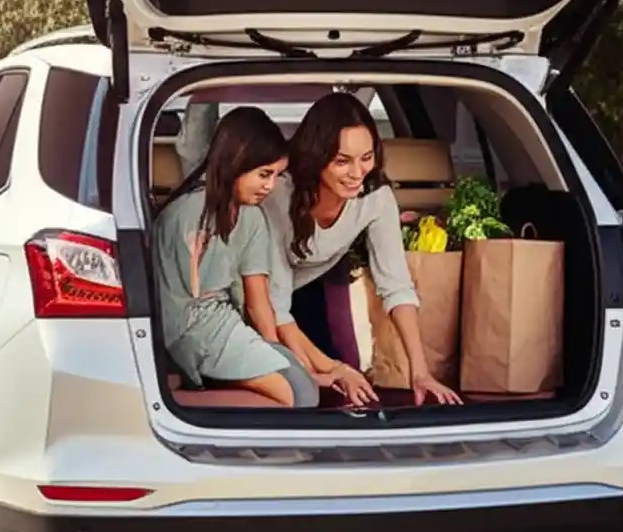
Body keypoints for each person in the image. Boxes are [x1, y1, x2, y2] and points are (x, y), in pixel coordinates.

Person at [261, 92, 463, 408]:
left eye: (366, 157)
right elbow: (273, 305)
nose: (357, 173)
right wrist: (327, 368)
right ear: (316, 157)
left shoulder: (375, 197)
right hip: (257, 303)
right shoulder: (278, 197)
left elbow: (396, 285)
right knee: (304, 395)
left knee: (347, 392)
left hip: (308, 292)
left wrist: (419, 373)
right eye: (342, 161)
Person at [153, 106, 320, 409]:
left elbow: (257, 301)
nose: (270, 186)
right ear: (236, 162)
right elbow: (183, 299)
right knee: (297, 397)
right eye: (264, 174)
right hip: (187, 327)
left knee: (304, 390)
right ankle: (181, 405)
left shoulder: (253, 218)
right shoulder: (183, 213)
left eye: (277, 175)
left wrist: (273, 351)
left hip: (223, 324)